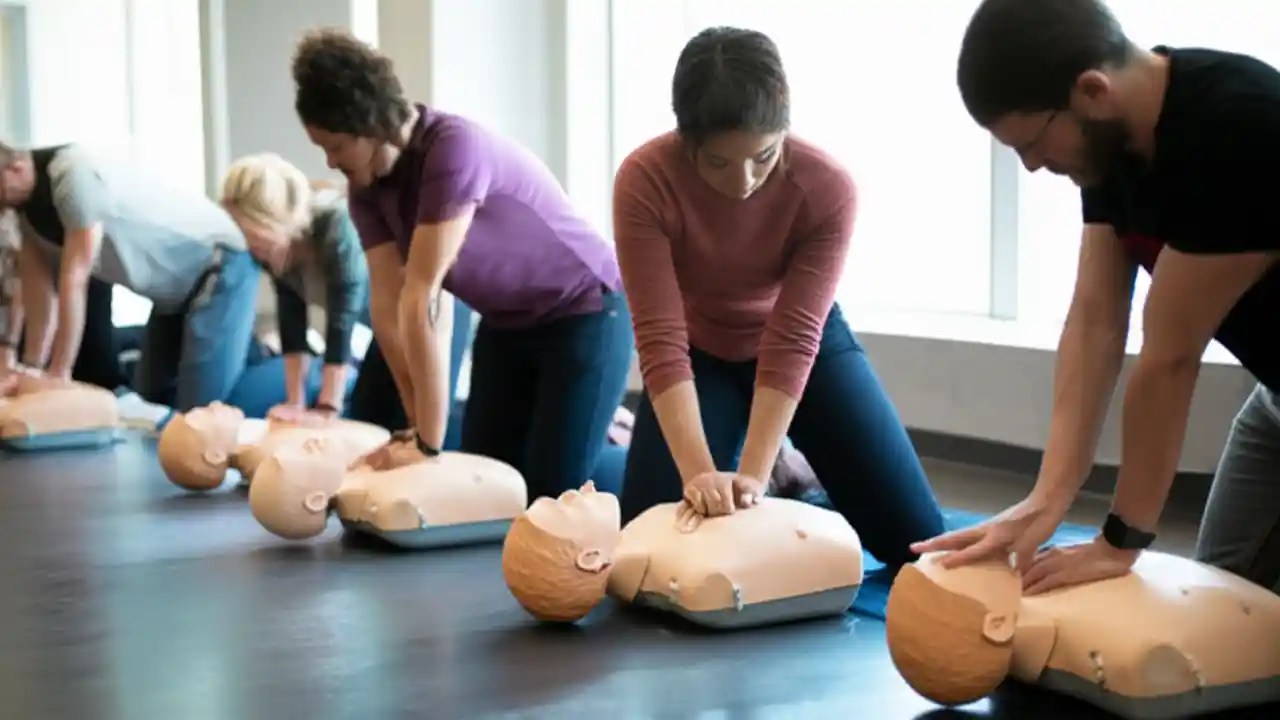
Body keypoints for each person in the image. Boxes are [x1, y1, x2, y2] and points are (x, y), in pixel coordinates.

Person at [913, 0, 1280, 596]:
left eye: (1031, 143)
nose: (1031, 168)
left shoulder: (1235, 126)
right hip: (1274, 403)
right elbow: (1094, 321)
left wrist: (1121, 540)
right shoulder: (1116, 146)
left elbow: (1169, 358)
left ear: (1092, 90)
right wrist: (1047, 496)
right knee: (1225, 606)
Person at [611, 26, 945, 569]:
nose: (743, 180)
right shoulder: (645, 179)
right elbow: (659, 336)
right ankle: (775, 462)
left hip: (802, 348)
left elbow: (794, 337)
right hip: (700, 350)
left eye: (763, 157)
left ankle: (792, 470)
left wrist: (754, 476)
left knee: (916, 544)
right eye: (718, 162)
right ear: (684, 139)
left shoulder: (827, 186)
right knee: (652, 546)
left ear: (784, 129)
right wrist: (699, 473)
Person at [289, 29, 634, 500]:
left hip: (586, 310)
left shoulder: (452, 149)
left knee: (551, 493)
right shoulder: (365, 190)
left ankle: (634, 451)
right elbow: (388, 307)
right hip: (507, 324)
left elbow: (423, 296)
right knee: (485, 485)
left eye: (335, 146)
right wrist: (413, 425)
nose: (329, 162)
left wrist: (428, 443)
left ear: (367, 126)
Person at [0, 141, 259, 417]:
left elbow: (74, 279)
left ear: (16, 168)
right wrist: (31, 370)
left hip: (220, 263)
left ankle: (276, 368)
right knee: (153, 401)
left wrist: (59, 374)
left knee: (198, 411)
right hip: (172, 294)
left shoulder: (73, 174)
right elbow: (39, 293)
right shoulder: (23, 213)